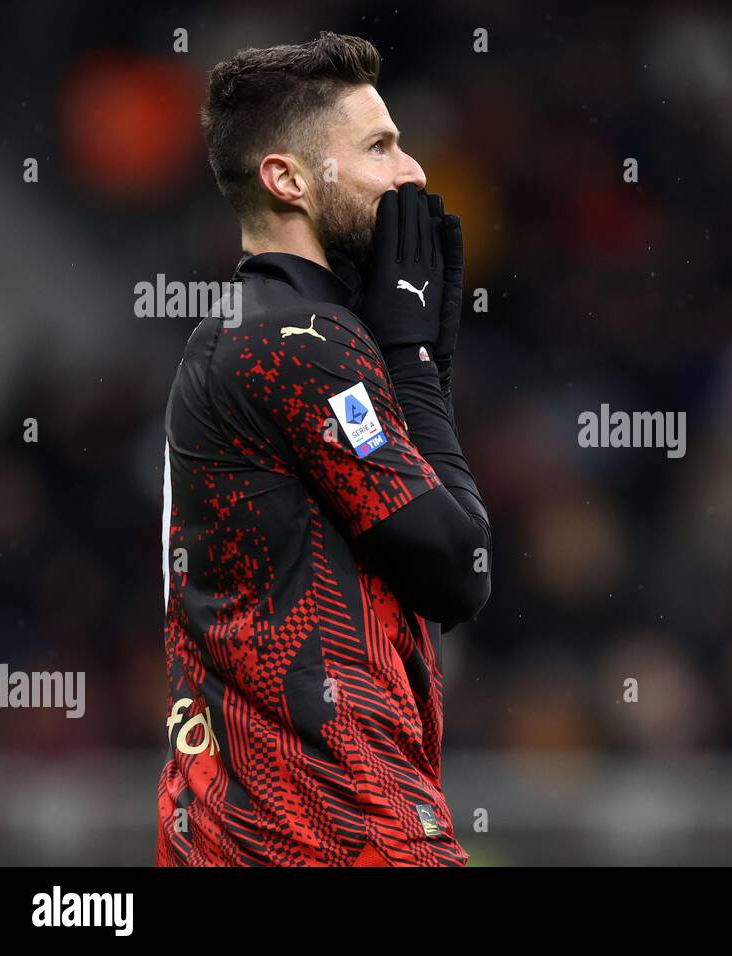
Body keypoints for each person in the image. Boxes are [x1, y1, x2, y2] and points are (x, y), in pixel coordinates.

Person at [156, 32, 490, 866]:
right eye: (379, 146)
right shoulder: (302, 339)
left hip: (238, 822)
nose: (411, 172)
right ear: (288, 179)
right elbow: (460, 568)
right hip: (334, 821)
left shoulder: (242, 333)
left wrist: (412, 366)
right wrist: (418, 365)